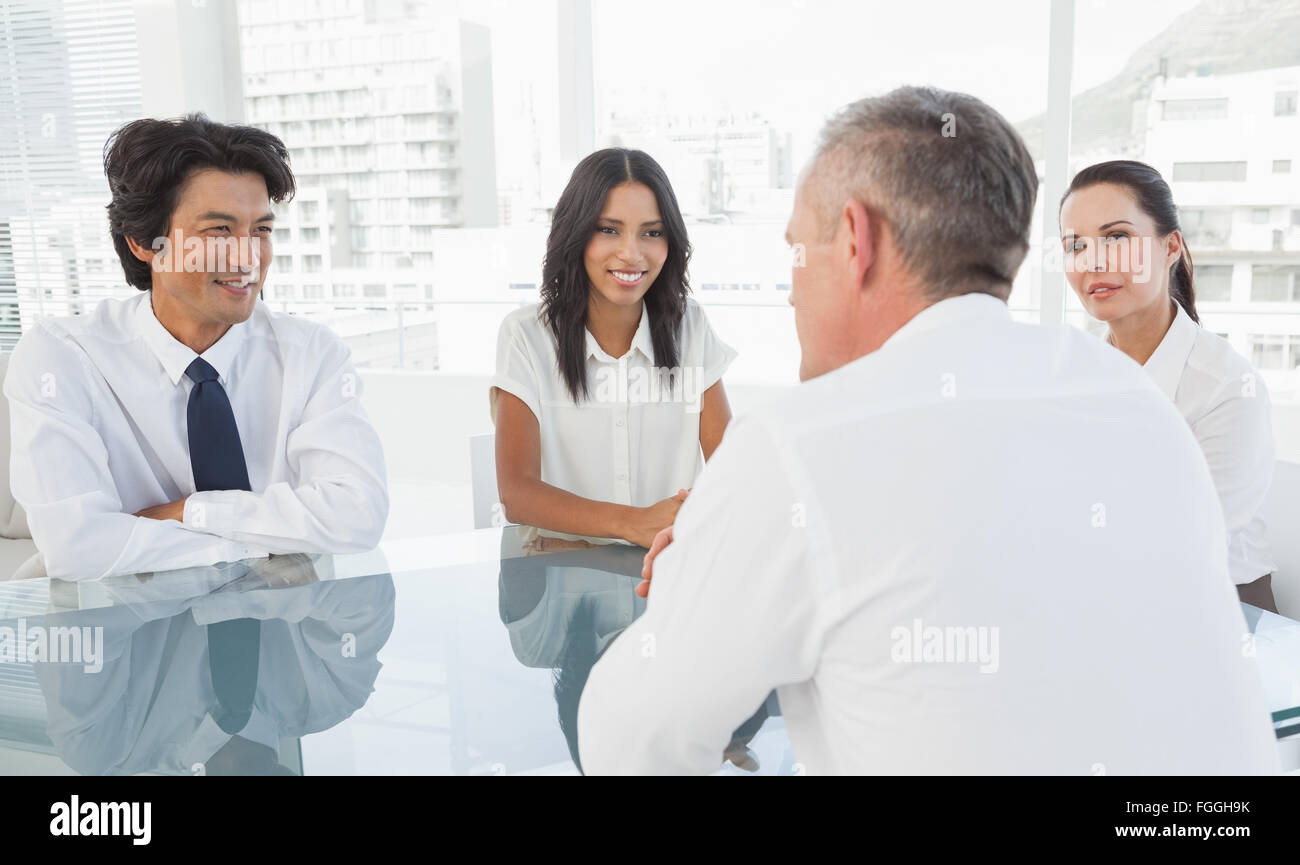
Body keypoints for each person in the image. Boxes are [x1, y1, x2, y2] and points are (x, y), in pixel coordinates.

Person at [576, 87, 1280, 775]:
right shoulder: (1137, 402)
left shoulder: (800, 443)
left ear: (856, 239)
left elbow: (628, 744)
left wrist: (697, 578)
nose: (791, 289)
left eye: (797, 251)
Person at [3, 113, 389, 582]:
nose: (247, 257)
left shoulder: (311, 354)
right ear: (143, 241)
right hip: (125, 639)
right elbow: (80, 550)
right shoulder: (61, 357)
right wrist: (268, 537)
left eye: (261, 230)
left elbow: (357, 515)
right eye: (219, 231)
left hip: (277, 635)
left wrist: (185, 512)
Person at [490, 148, 736, 549]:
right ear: (577, 233)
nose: (632, 253)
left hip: (662, 580)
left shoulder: (690, 328)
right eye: (609, 229)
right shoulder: (526, 336)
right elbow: (517, 494)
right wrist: (631, 523)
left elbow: (732, 471)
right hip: (562, 589)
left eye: (652, 232)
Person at [1060, 160, 1278, 612]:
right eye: (1075, 244)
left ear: (1171, 246)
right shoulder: (1078, 374)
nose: (1092, 260)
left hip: (1220, 611)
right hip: (1103, 593)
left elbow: (1185, 547)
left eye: (1116, 237)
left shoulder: (1227, 388)